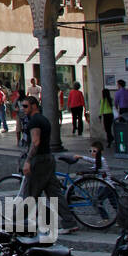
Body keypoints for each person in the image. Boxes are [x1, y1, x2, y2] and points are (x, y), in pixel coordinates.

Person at [23, 95, 75, 238]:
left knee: (30, 193)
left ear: (34, 106)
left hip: (39, 160)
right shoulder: (44, 119)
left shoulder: (35, 121)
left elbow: (36, 142)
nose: (23, 109)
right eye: (23, 106)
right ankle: (69, 222)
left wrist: (28, 160)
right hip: (48, 158)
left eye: (26, 106)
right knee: (54, 193)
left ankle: (24, 223)